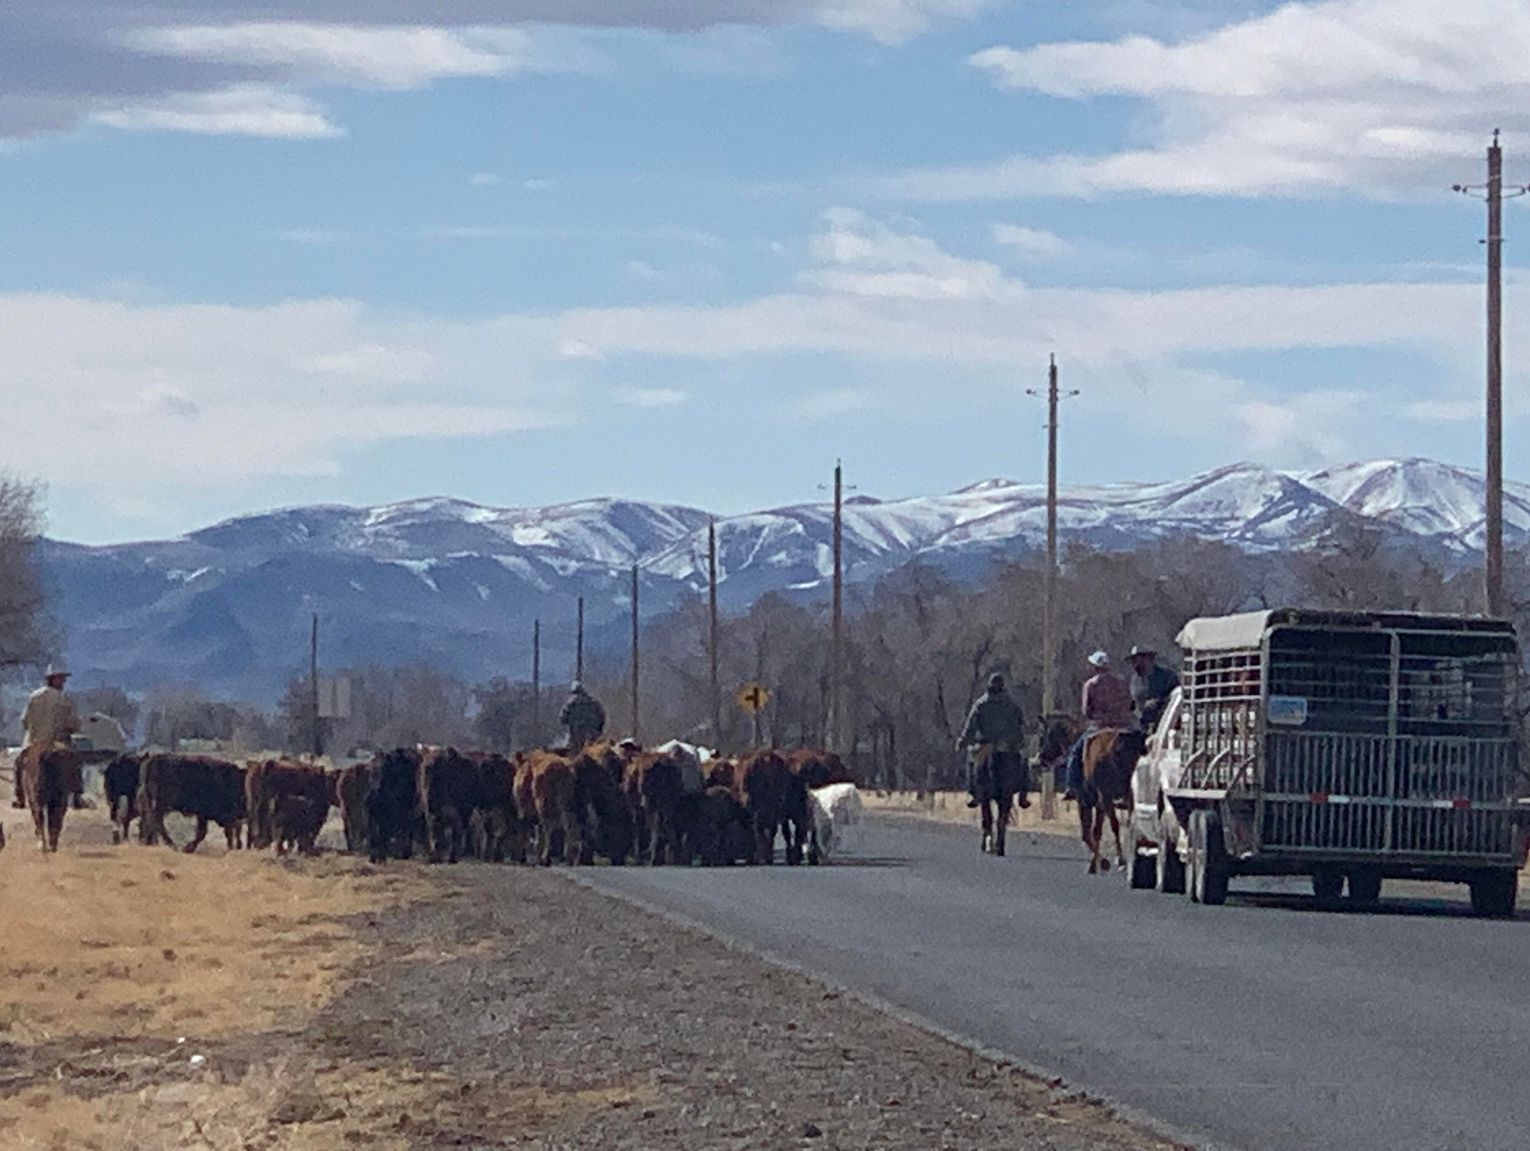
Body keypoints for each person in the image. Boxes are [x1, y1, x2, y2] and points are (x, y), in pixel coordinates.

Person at [1063, 650, 1133, 801]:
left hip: (1099, 726)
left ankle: (1071, 785)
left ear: (1094, 667)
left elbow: (1086, 711)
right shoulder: (1120, 683)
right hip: (1122, 727)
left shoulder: (1091, 684)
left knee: (1075, 752)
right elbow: (1129, 704)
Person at [955, 673, 1029, 810]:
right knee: (1023, 765)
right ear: (1003, 686)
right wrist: (1020, 742)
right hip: (1007, 745)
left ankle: (974, 793)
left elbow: (971, 725)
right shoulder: (1012, 704)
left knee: (972, 763)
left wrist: (962, 740)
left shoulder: (980, 704)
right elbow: (1020, 725)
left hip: (985, 745)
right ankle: (1023, 795)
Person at [16, 663, 83, 809]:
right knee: (75, 761)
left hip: (34, 742)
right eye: (62, 678)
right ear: (54, 679)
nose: (64, 682)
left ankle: (19, 796)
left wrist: (34, 730)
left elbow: (24, 720)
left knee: (19, 762)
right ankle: (77, 795)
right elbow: (74, 723)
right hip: (57, 743)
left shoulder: (34, 696)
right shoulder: (64, 699)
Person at [1128, 645, 1180, 733]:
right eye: (1132, 660)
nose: (1134, 664)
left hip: (1164, 726)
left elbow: (1177, 698)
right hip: (1142, 726)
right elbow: (1133, 703)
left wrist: (1157, 702)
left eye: (1136, 659)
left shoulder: (1167, 677)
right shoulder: (1134, 680)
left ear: (1147, 658)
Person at [559, 681, 607, 750]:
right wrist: (598, 727)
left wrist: (573, 721)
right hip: (594, 736)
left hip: (576, 737)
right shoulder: (594, 702)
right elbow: (602, 716)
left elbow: (562, 718)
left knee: (567, 750)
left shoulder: (570, 704)